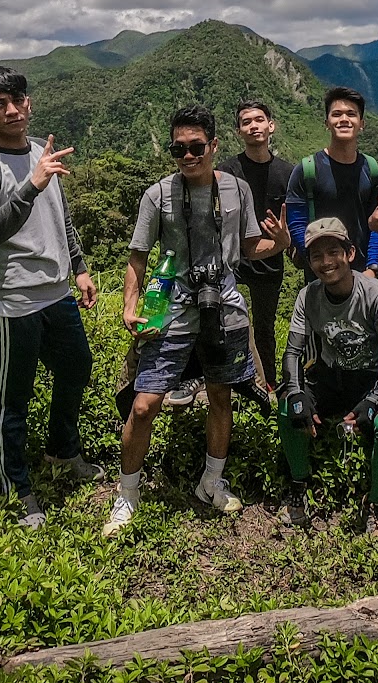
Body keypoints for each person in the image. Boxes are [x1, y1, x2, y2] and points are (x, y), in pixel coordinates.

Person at [105, 104, 289, 537]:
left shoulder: (238, 189)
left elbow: (247, 247)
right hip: (171, 309)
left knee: (221, 397)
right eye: (179, 148)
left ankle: (212, 480)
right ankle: (127, 494)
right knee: (145, 403)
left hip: (224, 308)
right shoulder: (158, 194)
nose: (188, 156)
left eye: (196, 147)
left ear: (213, 146)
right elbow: (138, 255)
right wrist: (130, 306)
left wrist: (278, 244)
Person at [0, 66, 103, 529]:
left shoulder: (41, 153)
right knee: (13, 399)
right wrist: (31, 185)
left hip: (57, 292)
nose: (12, 110)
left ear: (29, 102)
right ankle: (14, 486)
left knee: (76, 367)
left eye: (17, 100)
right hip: (14, 299)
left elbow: (60, 217)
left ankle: (62, 452)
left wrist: (78, 266)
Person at [276, 217, 378, 535]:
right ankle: (299, 485)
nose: (326, 262)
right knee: (289, 408)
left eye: (334, 252)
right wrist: (296, 392)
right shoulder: (309, 296)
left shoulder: (377, 296)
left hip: (370, 378)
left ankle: (377, 506)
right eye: (317, 256)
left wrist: (373, 400)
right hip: (329, 377)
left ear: (351, 253)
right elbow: (293, 353)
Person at [214, 100, 292, 392]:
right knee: (225, 321)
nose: (253, 126)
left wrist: (289, 246)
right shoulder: (227, 171)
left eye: (259, 120)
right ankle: (225, 378)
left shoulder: (287, 173)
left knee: (264, 327)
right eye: (246, 122)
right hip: (232, 260)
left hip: (270, 260)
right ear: (238, 131)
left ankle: (266, 382)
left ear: (271, 126)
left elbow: (293, 222)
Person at [285, 86, 378, 284]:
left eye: (351, 114)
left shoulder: (370, 169)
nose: (344, 119)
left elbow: (376, 224)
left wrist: (372, 267)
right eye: (336, 114)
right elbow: (296, 224)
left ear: (361, 123)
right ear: (326, 123)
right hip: (319, 276)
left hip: (361, 275)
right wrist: (320, 264)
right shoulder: (307, 170)